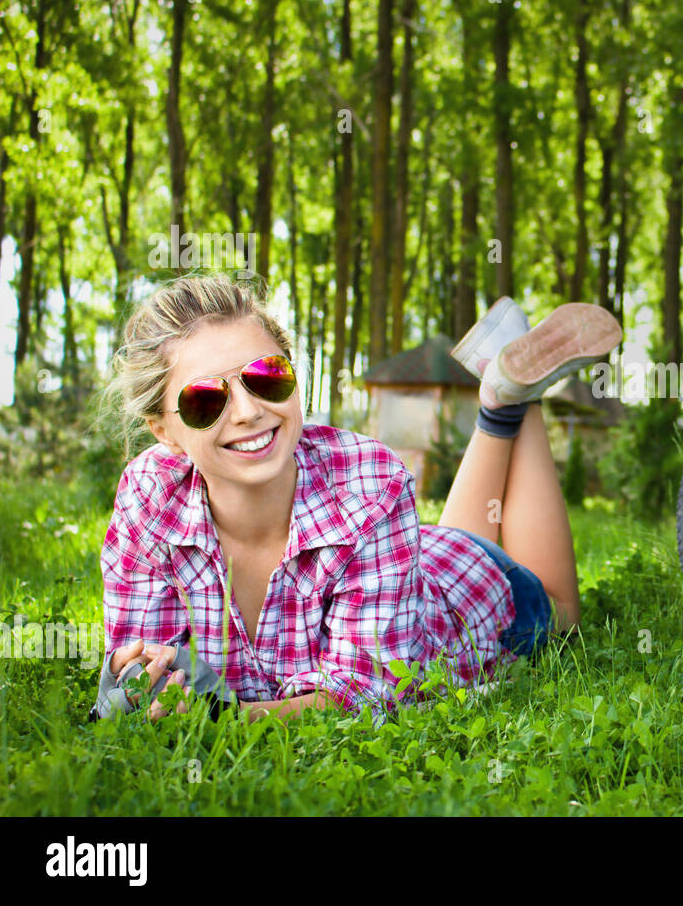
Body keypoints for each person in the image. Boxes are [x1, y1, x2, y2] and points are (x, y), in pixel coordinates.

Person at [89, 272, 621, 723]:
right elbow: (142, 659)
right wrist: (140, 677)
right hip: (415, 561)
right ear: (162, 429)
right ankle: (502, 385)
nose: (249, 411)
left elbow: (365, 693)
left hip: (474, 595)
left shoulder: (367, 479)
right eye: (205, 398)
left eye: (265, 377)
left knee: (561, 614)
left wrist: (220, 714)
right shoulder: (148, 497)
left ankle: (511, 398)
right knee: (460, 535)